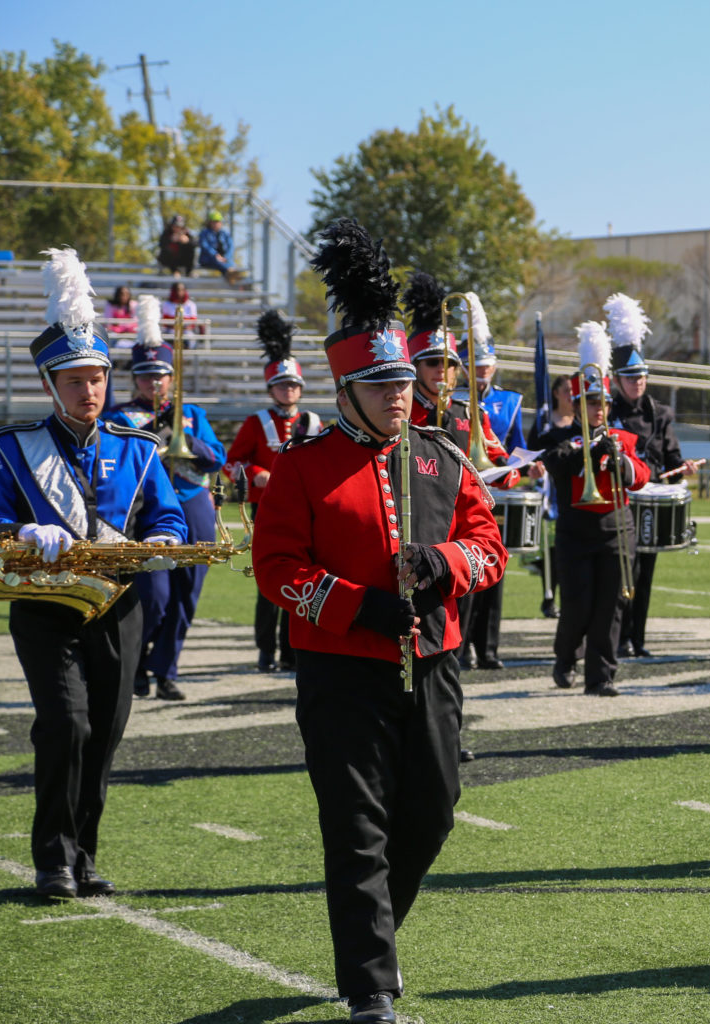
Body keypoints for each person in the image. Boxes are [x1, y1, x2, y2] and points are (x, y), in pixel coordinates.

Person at [252, 219, 507, 1024]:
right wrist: (360, 606)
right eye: (385, 384)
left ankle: (373, 936)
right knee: (357, 829)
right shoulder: (303, 467)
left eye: (406, 382)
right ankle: (369, 984)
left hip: (435, 660)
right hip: (342, 671)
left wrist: (445, 567)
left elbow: (489, 543)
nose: (403, 393)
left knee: (431, 814)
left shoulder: (440, 455)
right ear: (346, 389)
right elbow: (277, 570)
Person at [0, 248, 185, 899]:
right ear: (51, 386)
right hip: (46, 606)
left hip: (119, 605)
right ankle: (52, 857)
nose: (89, 390)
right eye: (74, 380)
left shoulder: (136, 449)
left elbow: (168, 514)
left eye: (97, 378)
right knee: (66, 723)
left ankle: (84, 856)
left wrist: (164, 536)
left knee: (104, 733)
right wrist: (22, 531)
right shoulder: (14, 448)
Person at [104, 300, 226, 701]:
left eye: (160, 375)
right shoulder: (120, 416)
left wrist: (185, 437)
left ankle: (167, 669)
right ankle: (137, 662)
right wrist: (156, 430)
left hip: (193, 501)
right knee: (153, 595)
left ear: (172, 378)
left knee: (186, 595)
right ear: (135, 380)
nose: (153, 382)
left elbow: (217, 458)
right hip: (148, 510)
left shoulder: (190, 413)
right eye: (145, 376)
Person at [401, 274, 513, 681]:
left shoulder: (470, 416)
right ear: (415, 367)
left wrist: (513, 473)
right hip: (418, 539)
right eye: (433, 363)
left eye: (449, 364)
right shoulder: (401, 419)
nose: (442, 372)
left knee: (455, 638)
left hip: (463, 539)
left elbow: (501, 465)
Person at [537, 321, 651, 696]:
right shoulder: (560, 439)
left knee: (611, 607)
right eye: (589, 402)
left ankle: (601, 676)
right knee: (577, 606)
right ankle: (565, 657)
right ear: (577, 403)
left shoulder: (623, 439)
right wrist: (582, 450)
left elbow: (641, 476)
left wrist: (620, 461)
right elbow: (555, 464)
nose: (597, 409)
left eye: (601, 402)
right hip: (575, 532)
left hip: (617, 530)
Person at [224, 310, 324, 673]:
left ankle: (292, 650)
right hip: (265, 510)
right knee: (269, 582)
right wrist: (255, 472)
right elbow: (231, 463)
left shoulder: (313, 422)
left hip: (305, 512)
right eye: (282, 385)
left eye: (293, 385)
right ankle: (266, 650)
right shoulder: (256, 422)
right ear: (271, 388)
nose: (289, 391)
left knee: (302, 579)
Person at [606, 292, 698, 658]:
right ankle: (616, 638)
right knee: (618, 574)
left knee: (644, 574)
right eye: (630, 377)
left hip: (650, 503)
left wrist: (682, 471)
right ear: (617, 379)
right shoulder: (608, 411)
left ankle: (637, 639)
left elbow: (672, 456)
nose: (637, 382)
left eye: (641, 376)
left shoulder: (660, 414)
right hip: (618, 503)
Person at [450, 291, 536, 670]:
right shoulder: (451, 402)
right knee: (466, 572)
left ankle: (489, 649)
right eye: (475, 366)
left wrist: (520, 469)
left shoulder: (510, 401)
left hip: (498, 490)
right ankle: (462, 646)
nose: (481, 372)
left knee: (494, 571)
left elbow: (517, 448)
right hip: (460, 494)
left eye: (486, 366)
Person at [529, 373, 574, 619]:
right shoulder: (545, 421)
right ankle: (549, 597)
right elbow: (532, 450)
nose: (570, 395)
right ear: (556, 393)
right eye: (566, 390)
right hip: (550, 490)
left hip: (572, 490)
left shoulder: (580, 420)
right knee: (552, 548)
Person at [197, 211, 237, 281]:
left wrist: (226, 257)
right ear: (210, 223)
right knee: (218, 261)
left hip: (223, 260)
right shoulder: (204, 233)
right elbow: (205, 246)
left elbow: (231, 247)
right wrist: (216, 255)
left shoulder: (225, 234)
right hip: (209, 259)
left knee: (230, 263)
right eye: (213, 222)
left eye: (217, 222)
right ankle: (230, 272)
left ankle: (230, 273)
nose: (216, 224)